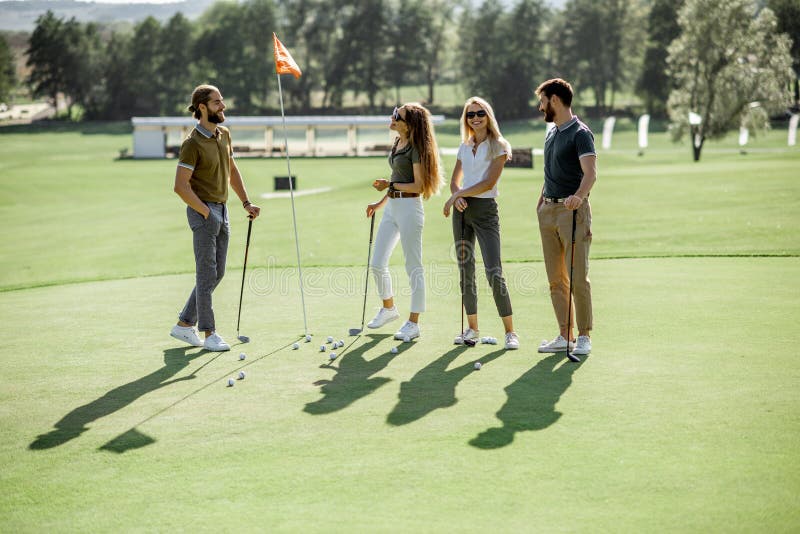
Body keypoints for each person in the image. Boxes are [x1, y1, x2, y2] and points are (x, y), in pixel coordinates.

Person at [170, 84, 260, 351]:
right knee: (206, 273)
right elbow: (180, 186)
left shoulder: (224, 135)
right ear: (202, 107)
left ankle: (184, 324)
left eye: (222, 101)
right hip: (203, 213)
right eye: (217, 102)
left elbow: (231, 170)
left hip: (223, 210)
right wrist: (207, 213)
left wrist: (246, 202)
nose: (223, 106)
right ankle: (209, 333)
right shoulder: (192, 144)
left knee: (217, 272)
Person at [443, 97, 519, 350]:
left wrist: (457, 195)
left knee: (493, 272)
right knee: (466, 271)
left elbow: (489, 183)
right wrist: (457, 196)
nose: (475, 118)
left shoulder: (499, 145)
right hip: (463, 212)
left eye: (480, 113)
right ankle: (473, 328)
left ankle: (510, 332)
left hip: (485, 211)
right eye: (470, 114)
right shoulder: (465, 146)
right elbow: (455, 180)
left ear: (488, 116)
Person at [366, 103, 443, 341]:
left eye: (397, 116)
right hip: (392, 207)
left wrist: (389, 186)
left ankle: (413, 322)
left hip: (410, 208)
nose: (392, 118)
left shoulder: (417, 149)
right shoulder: (398, 142)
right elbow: (396, 179)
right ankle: (388, 308)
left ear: (409, 125)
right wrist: (380, 203)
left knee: (413, 266)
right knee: (377, 263)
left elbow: (418, 186)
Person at [534, 78, 596, 356]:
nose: (540, 107)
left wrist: (579, 196)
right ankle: (564, 335)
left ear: (555, 100)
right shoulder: (552, 132)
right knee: (556, 279)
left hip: (572, 212)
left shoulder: (580, 133)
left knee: (577, 276)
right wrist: (541, 200)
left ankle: (583, 336)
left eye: (542, 101)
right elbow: (550, 172)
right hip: (548, 211)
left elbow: (591, 174)